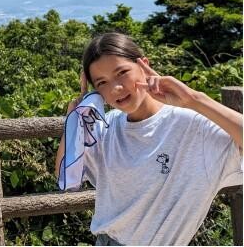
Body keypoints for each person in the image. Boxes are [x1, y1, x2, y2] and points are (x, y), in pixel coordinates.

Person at [56, 31, 242, 246]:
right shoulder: (106, 127)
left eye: (122, 72)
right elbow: (66, 177)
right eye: (102, 83)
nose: (115, 88)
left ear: (144, 65)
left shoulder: (193, 127)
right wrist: (74, 122)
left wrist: (193, 99)